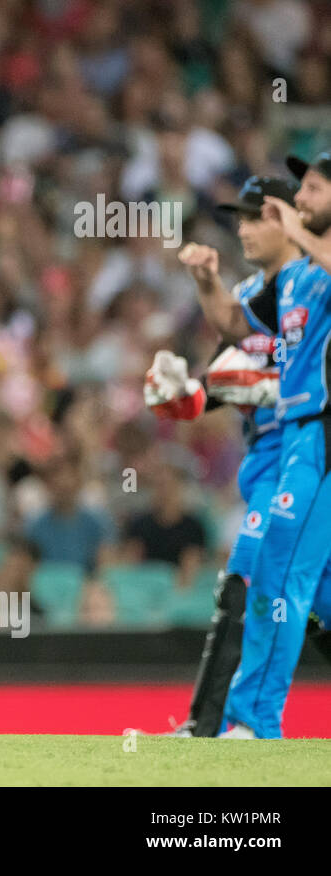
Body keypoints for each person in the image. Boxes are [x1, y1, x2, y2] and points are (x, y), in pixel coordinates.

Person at [146, 175, 297, 737]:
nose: (244, 228)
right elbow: (210, 391)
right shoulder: (259, 299)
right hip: (269, 465)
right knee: (291, 595)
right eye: (241, 218)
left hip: (306, 461)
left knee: (251, 580)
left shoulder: (315, 287)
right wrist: (172, 393)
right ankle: (212, 724)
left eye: (257, 216)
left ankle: (227, 723)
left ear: (289, 219)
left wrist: (271, 387)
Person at [189, 151, 331, 737]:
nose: (300, 200)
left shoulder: (316, 263)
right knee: (311, 585)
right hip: (299, 435)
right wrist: (205, 279)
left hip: (321, 435)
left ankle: (252, 722)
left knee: (279, 573)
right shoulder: (298, 276)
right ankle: (231, 720)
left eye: (315, 190)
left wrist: (295, 230)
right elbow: (241, 327)